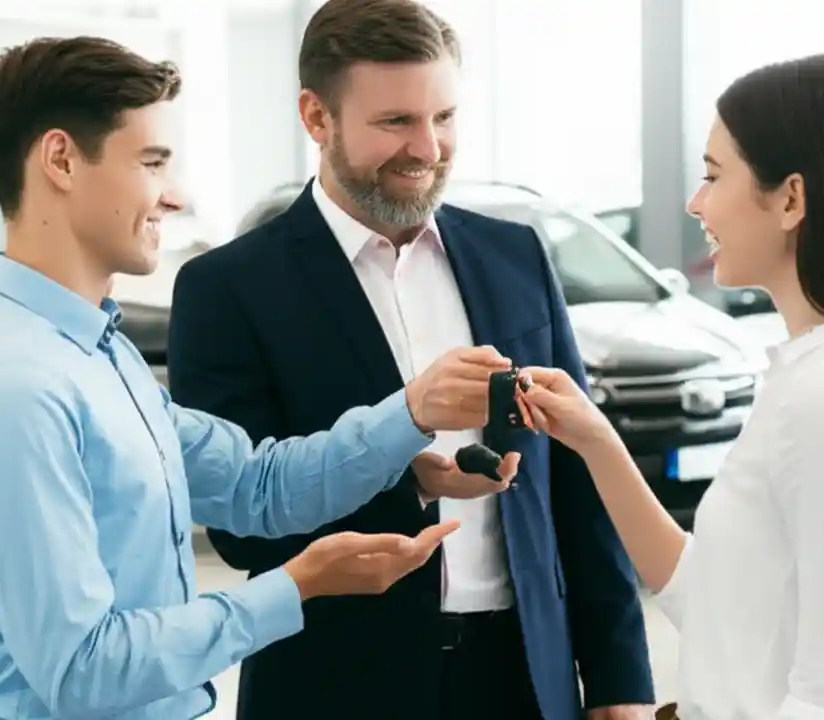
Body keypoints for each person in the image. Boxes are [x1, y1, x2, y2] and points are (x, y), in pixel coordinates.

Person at [0, 36, 513, 720]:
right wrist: (295, 587)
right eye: (152, 162)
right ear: (60, 160)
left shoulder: (93, 355)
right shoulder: (14, 386)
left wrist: (409, 417)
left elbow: (255, 485)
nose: (175, 196)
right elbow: (83, 669)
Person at [166, 1, 654, 719]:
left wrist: (619, 680)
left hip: (524, 678)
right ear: (316, 117)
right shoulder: (227, 288)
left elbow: (576, 478)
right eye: (395, 122)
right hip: (335, 686)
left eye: (445, 117)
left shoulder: (514, 257)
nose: (427, 147)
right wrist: (409, 483)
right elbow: (240, 529)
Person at [516, 54, 824, 719]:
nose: (695, 202)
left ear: (791, 197)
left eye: (713, 175)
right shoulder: (815, 376)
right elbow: (703, 594)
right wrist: (597, 443)